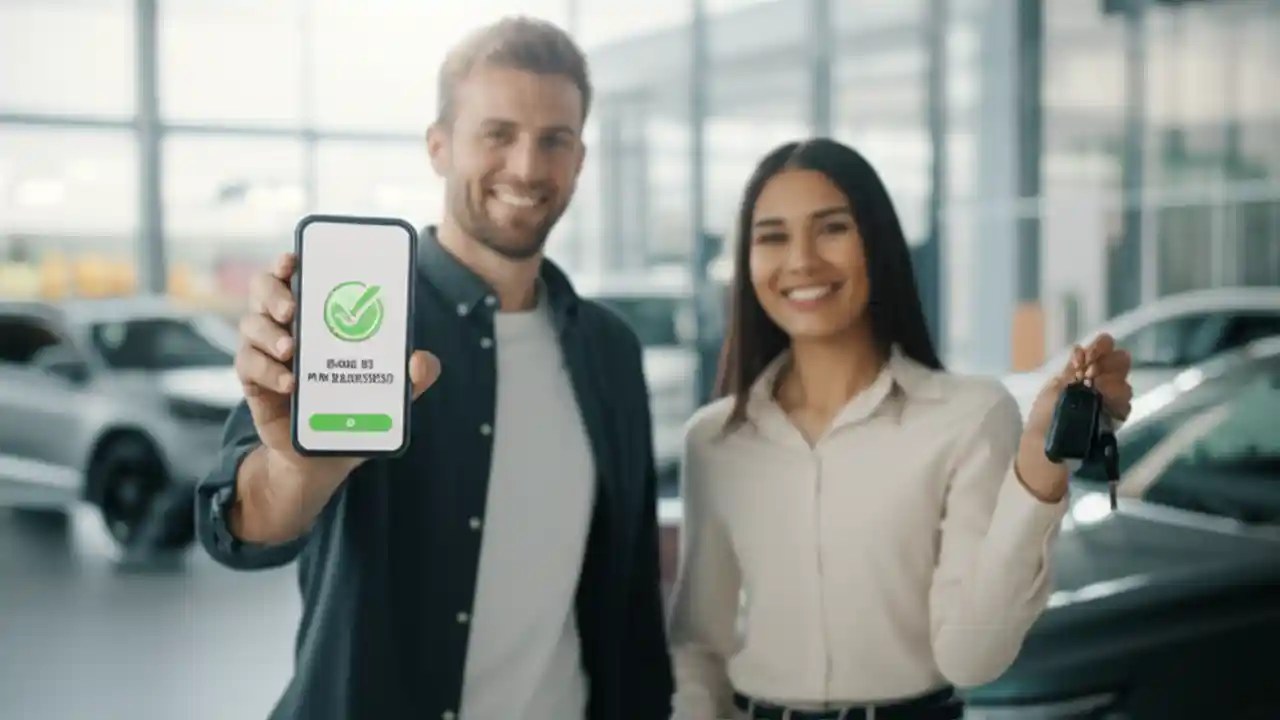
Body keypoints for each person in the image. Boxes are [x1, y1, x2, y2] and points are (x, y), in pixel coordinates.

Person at [195, 16, 673, 720]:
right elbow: (237, 529)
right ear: (439, 147)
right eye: (498, 133)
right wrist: (296, 473)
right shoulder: (354, 313)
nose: (527, 167)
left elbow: (627, 594)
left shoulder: (609, 349)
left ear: (579, 160)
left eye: (555, 141)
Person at [667, 138, 1133, 720]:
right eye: (772, 236)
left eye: (832, 227)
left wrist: (1041, 462)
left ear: (877, 244)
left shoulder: (969, 416)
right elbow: (698, 645)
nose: (802, 260)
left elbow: (971, 657)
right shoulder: (714, 441)